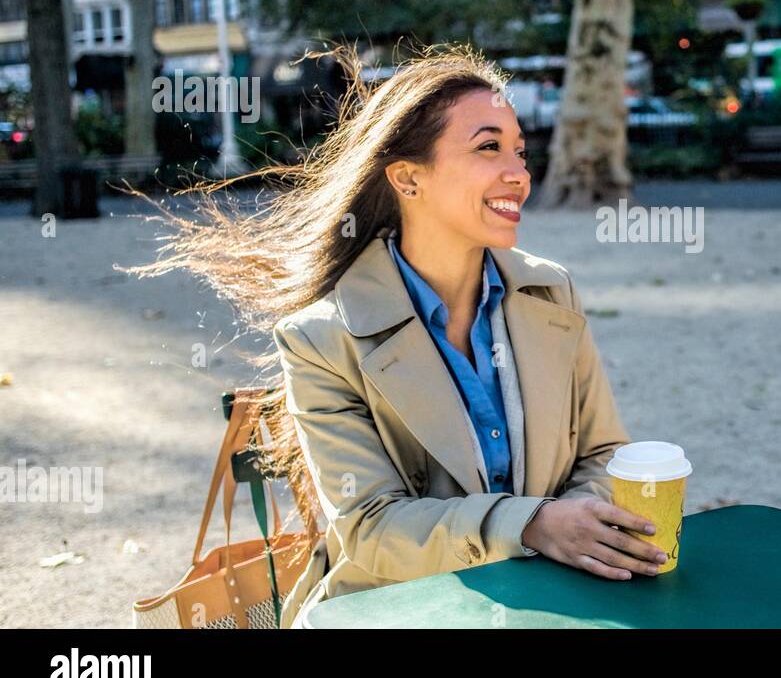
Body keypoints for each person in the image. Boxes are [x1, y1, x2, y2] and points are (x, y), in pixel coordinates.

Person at [127, 46, 667, 629]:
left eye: (520, 151)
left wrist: (579, 525)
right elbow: (372, 528)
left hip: (555, 598)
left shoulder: (551, 292)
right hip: (402, 609)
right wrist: (532, 524)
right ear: (408, 177)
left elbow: (604, 452)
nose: (519, 173)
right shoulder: (320, 339)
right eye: (488, 148)